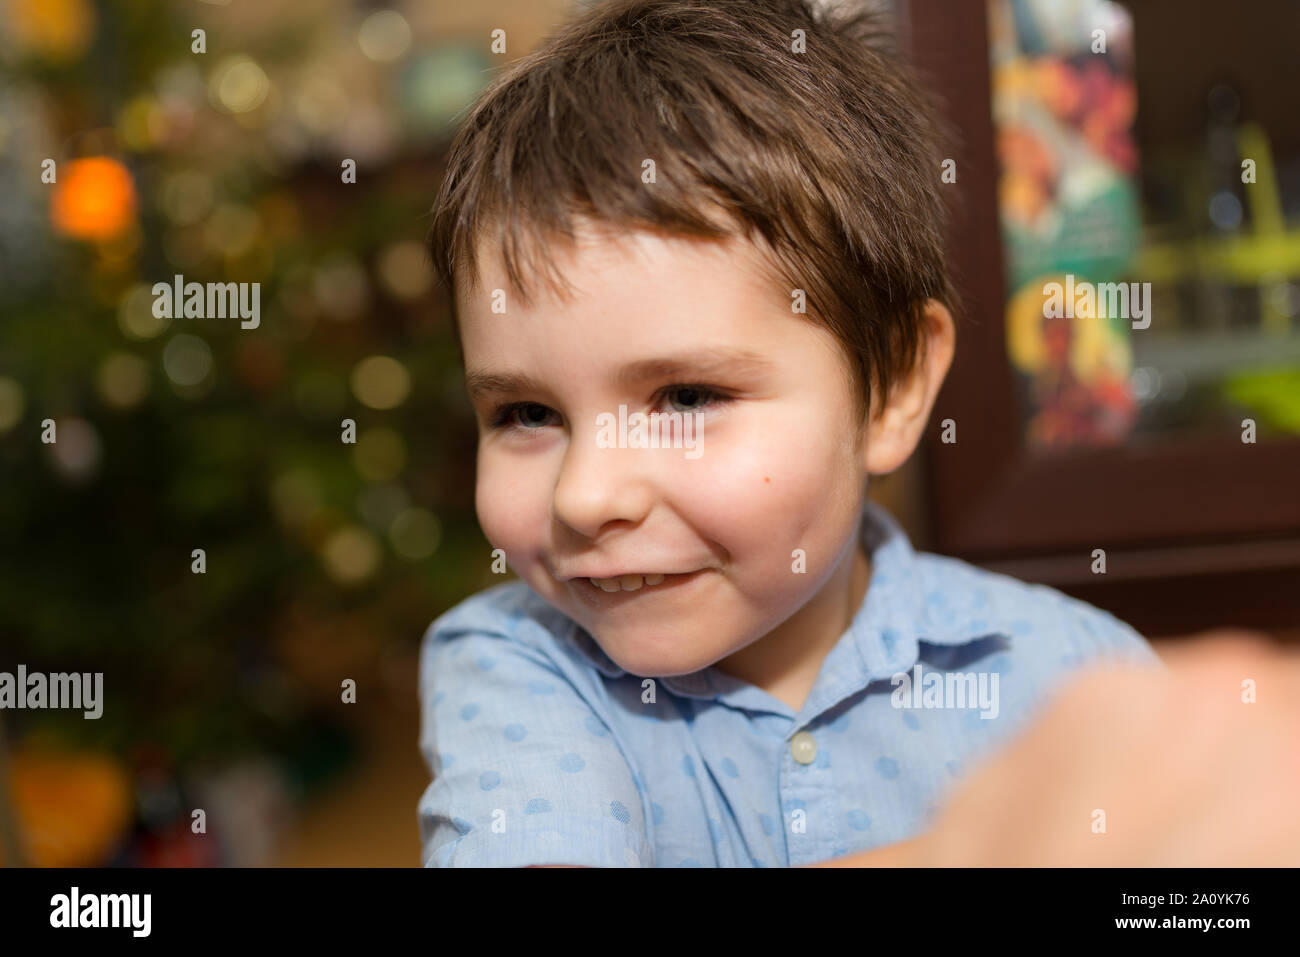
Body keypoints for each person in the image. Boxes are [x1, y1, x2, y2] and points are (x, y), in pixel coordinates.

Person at [416, 0, 1298, 866]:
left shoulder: (1075, 672)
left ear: (896, 389)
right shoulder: (513, 666)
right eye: (525, 414)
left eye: (686, 397)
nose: (585, 495)